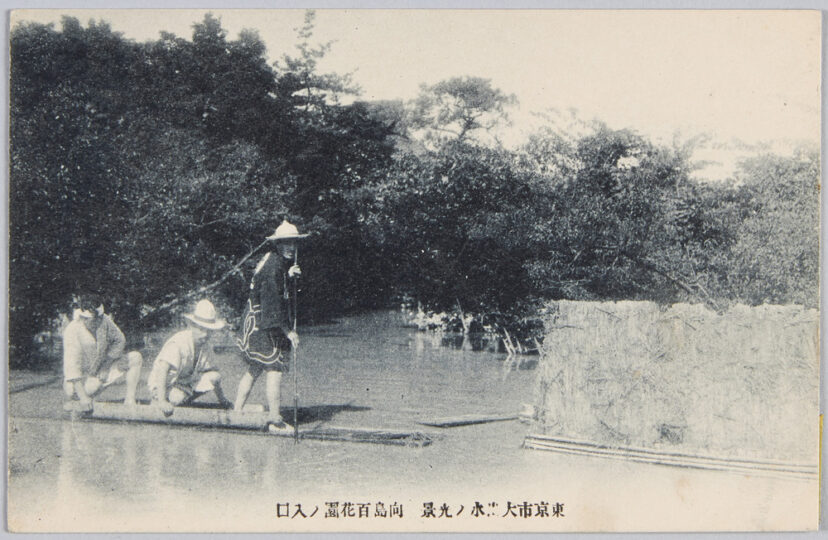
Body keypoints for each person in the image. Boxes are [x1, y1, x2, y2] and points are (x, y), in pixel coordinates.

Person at [234, 220, 307, 432]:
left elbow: (278, 290)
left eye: (293, 243)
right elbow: (273, 305)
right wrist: (289, 332)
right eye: (285, 243)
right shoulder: (274, 267)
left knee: (254, 368)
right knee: (274, 369)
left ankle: (237, 410)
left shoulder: (274, 262)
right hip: (264, 324)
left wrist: (290, 275)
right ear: (277, 244)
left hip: (256, 322)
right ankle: (275, 418)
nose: (290, 248)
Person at [148, 299, 232, 415]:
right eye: (202, 329)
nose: (206, 334)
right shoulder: (178, 342)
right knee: (176, 398)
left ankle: (181, 399)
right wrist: (162, 401)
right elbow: (162, 370)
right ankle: (160, 400)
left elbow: (213, 375)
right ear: (192, 326)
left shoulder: (205, 345)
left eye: (209, 331)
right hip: (163, 384)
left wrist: (223, 401)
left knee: (215, 376)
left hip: (184, 383)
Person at [62, 294, 143, 411]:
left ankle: (130, 401)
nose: (98, 322)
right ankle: (78, 400)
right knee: (74, 391)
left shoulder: (103, 319)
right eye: (94, 320)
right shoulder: (72, 330)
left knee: (135, 357)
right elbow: (72, 367)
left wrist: (106, 366)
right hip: (79, 381)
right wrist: (83, 397)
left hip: (100, 370)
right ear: (83, 318)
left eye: (100, 318)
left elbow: (119, 340)